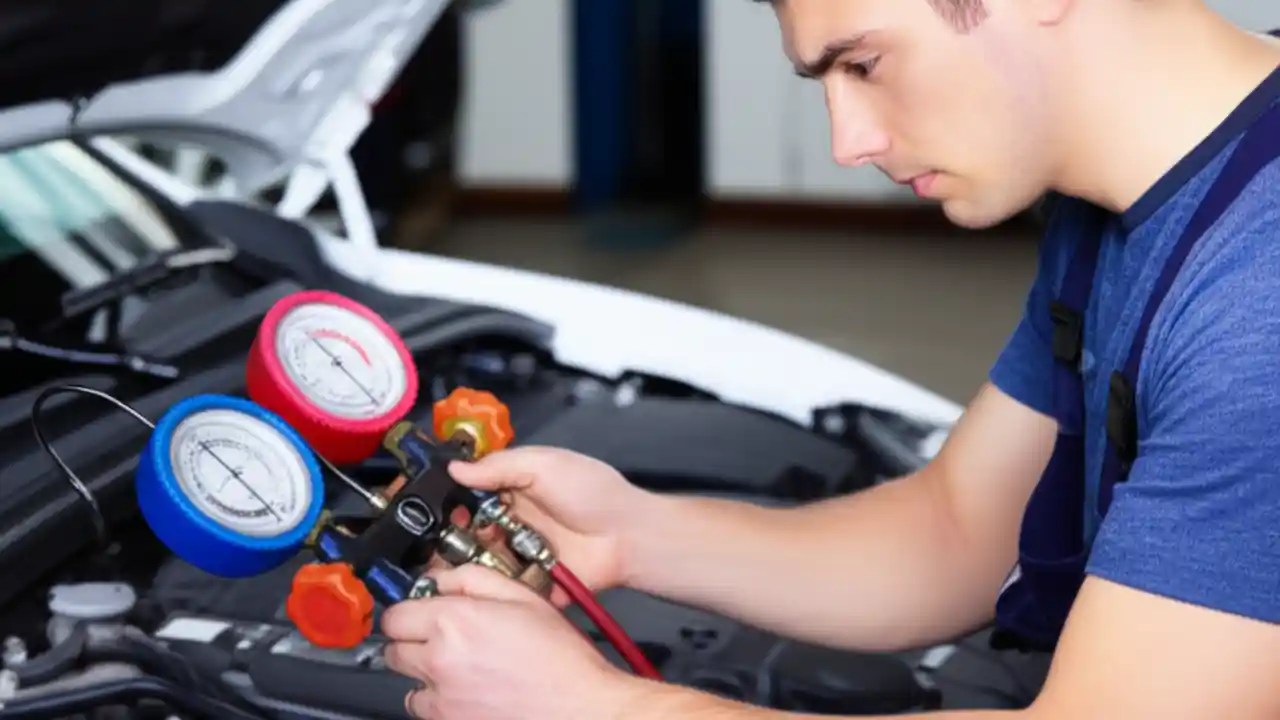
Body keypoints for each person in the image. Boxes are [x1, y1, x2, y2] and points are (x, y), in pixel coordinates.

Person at [379, 0, 1280, 717]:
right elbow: (956, 530)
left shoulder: (1259, 299)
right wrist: (629, 535)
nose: (849, 142)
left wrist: (592, 707)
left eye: (863, 63)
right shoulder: (1135, 196)